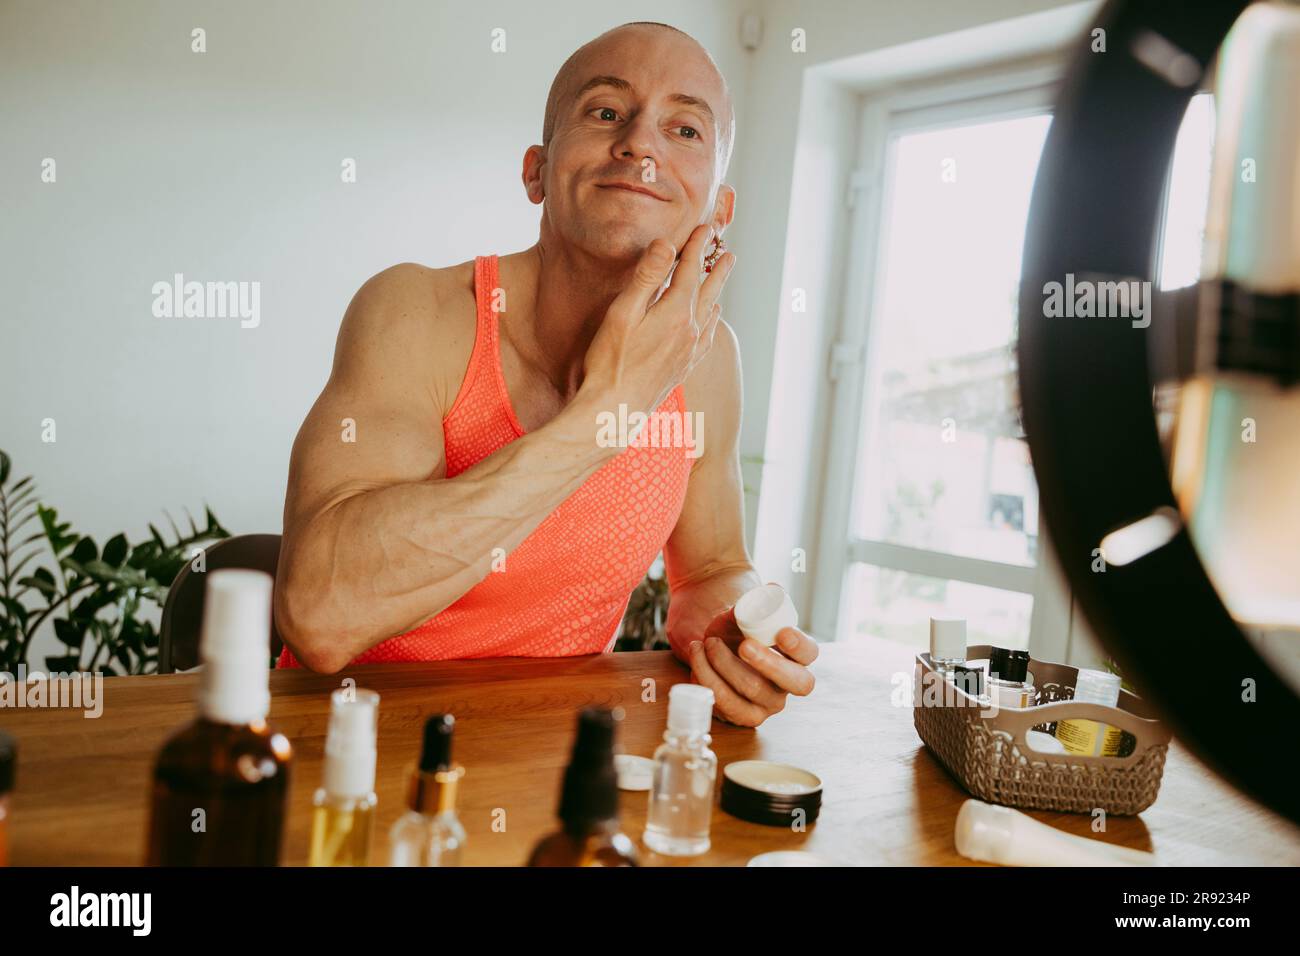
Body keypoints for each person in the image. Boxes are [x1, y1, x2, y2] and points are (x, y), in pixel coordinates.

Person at [275, 21, 816, 727]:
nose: (641, 144)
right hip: (345, 742)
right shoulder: (416, 312)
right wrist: (608, 412)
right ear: (536, 170)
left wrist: (736, 633)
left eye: (685, 130)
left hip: (548, 762)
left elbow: (712, 569)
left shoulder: (707, 360)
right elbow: (321, 614)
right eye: (606, 112)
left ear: (720, 209)